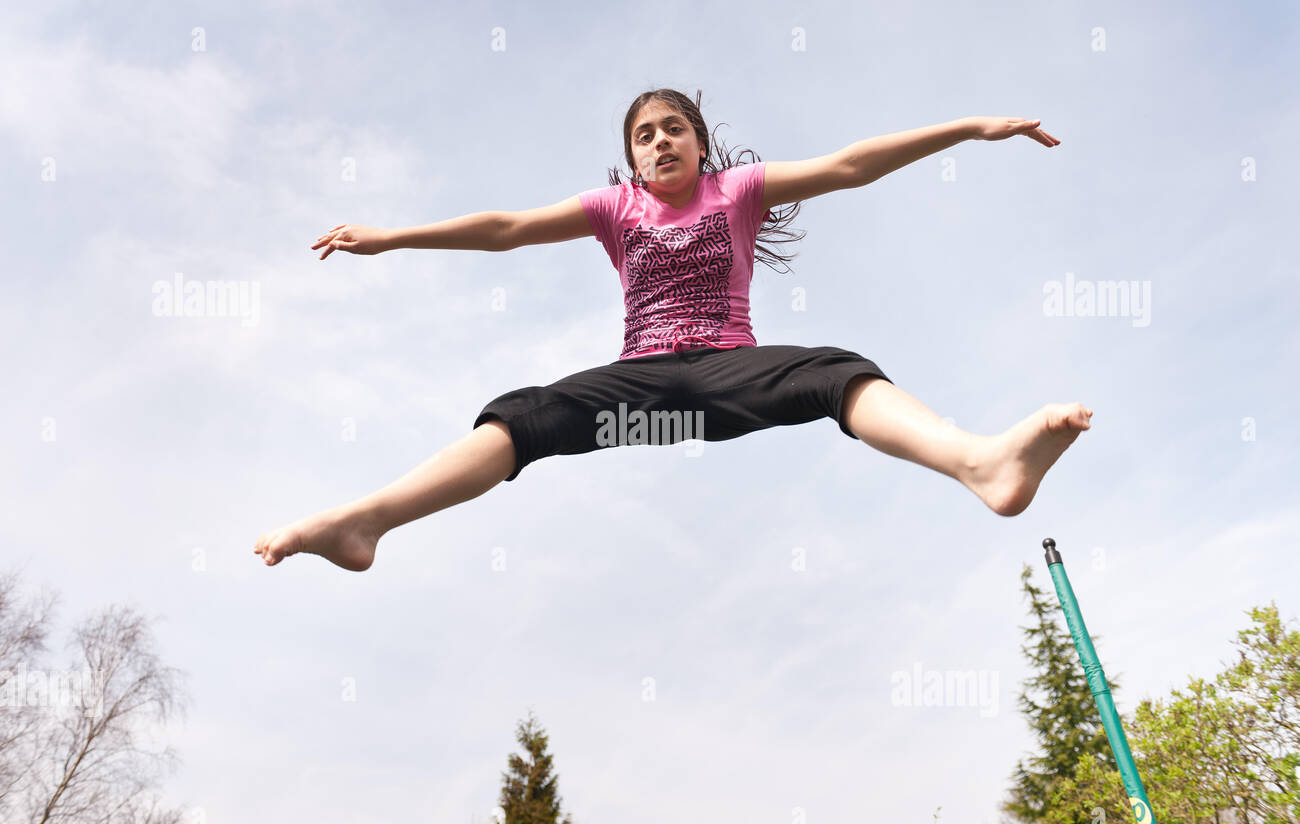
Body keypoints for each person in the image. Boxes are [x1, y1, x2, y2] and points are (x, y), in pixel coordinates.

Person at [255, 88, 1089, 571]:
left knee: (835, 371)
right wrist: (393, 235)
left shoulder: (740, 191)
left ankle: (980, 463)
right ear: (632, 155)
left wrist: (971, 128)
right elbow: (505, 226)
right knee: (524, 414)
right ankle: (368, 520)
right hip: (646, 396)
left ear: (699, 144)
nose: (660, 143)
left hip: (730, 378)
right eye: (644, 135)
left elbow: (849, 164)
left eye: (674, 130)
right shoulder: (614, 209)